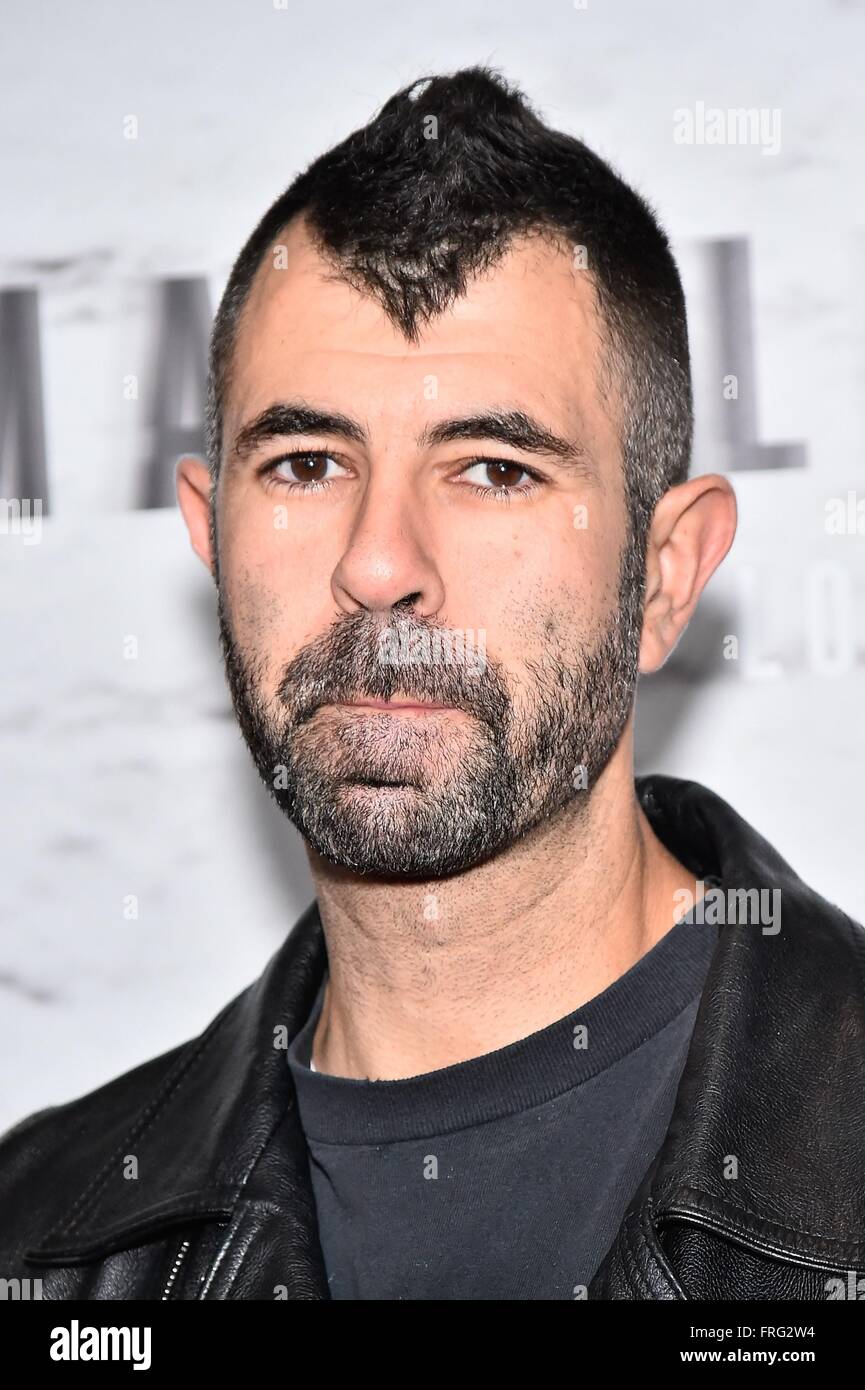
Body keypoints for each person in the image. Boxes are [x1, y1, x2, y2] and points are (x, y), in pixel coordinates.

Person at [1, 66, 862, 1302]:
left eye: (495, 469)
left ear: (665, 576)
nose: (379, 562)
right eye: (305, 462)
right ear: (208, 535)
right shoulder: (48, 1241)